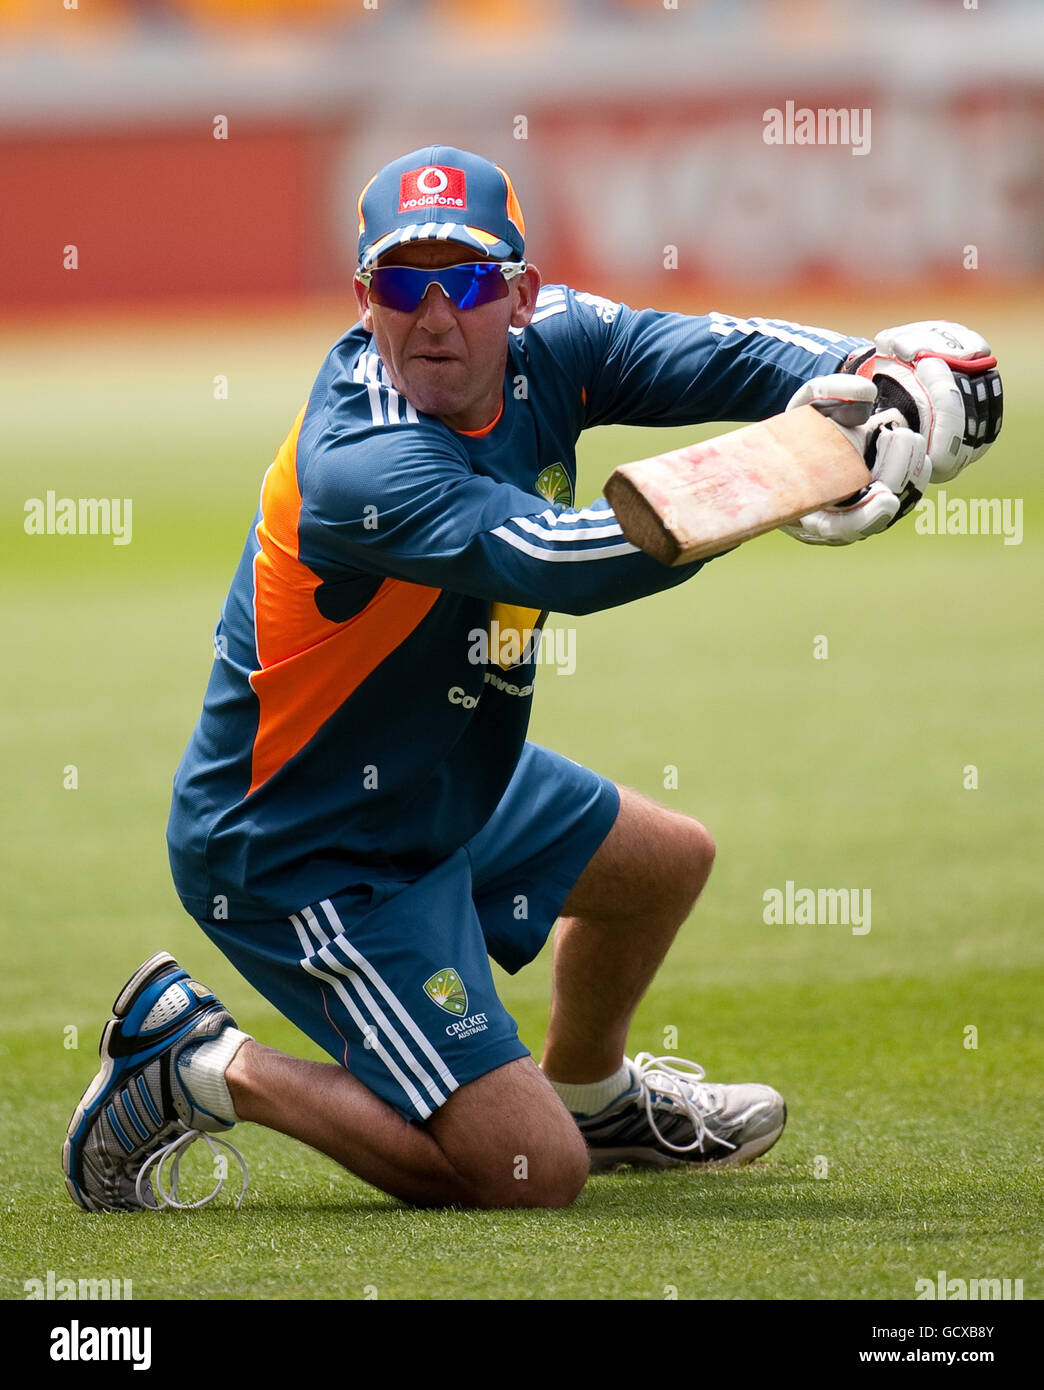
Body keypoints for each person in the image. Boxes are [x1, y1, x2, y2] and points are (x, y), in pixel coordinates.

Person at [63, 146, 1002, 1213]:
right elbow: (562, 556)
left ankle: (593, 1096)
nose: (431, 315)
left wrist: (880, 371)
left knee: (664, 866)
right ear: (364, 300)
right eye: (399, 284)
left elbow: (721, 352)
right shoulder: (359, 464)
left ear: (520, 292)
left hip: (440, 776)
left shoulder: (560, 344)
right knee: (526, 1172)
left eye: (461, 281)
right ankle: (193, 1061)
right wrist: (800, 473)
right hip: (299, 841)